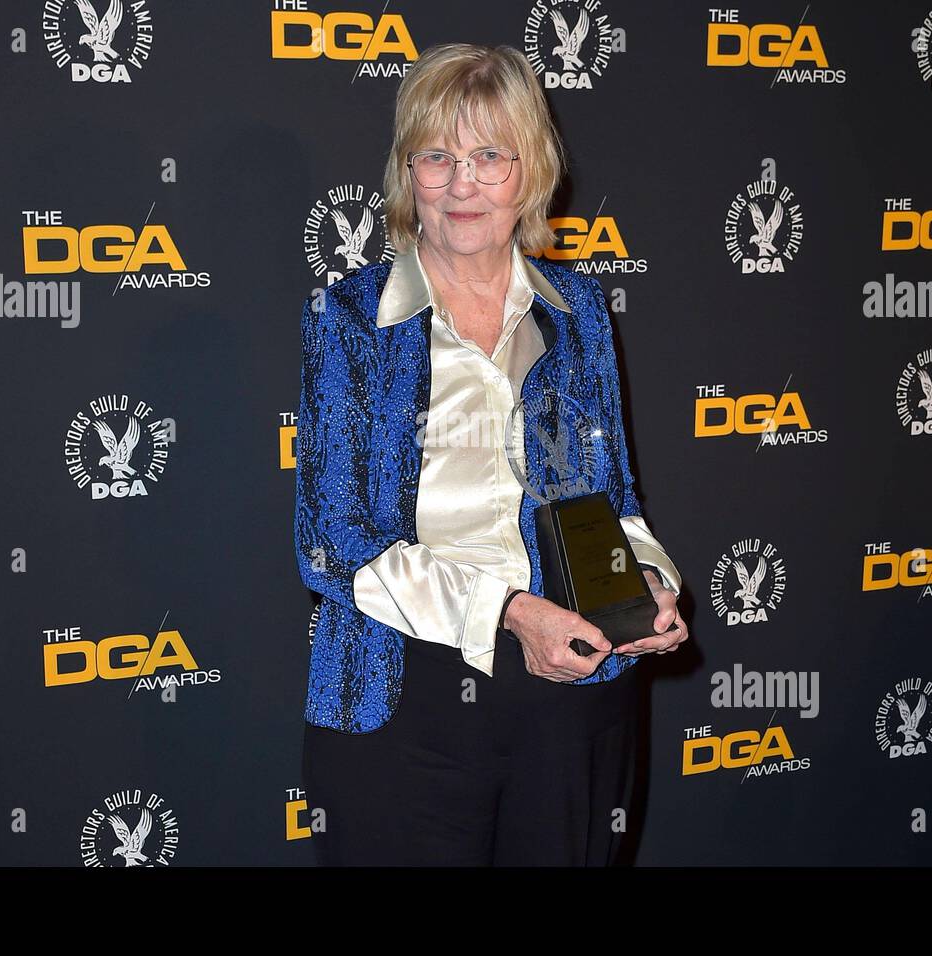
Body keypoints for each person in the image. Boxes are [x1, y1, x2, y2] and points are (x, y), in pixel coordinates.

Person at [294, 42, 688, 866]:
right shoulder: (350, 319)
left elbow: (612, 500)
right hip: (405, 692)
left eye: (488, 156)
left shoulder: (576, 310)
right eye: (436, 156)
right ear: (408, 172)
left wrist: (647, 583)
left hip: (574, 688)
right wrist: (511, 611)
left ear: (531, 170)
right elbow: (331, 539)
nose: (461, 183)